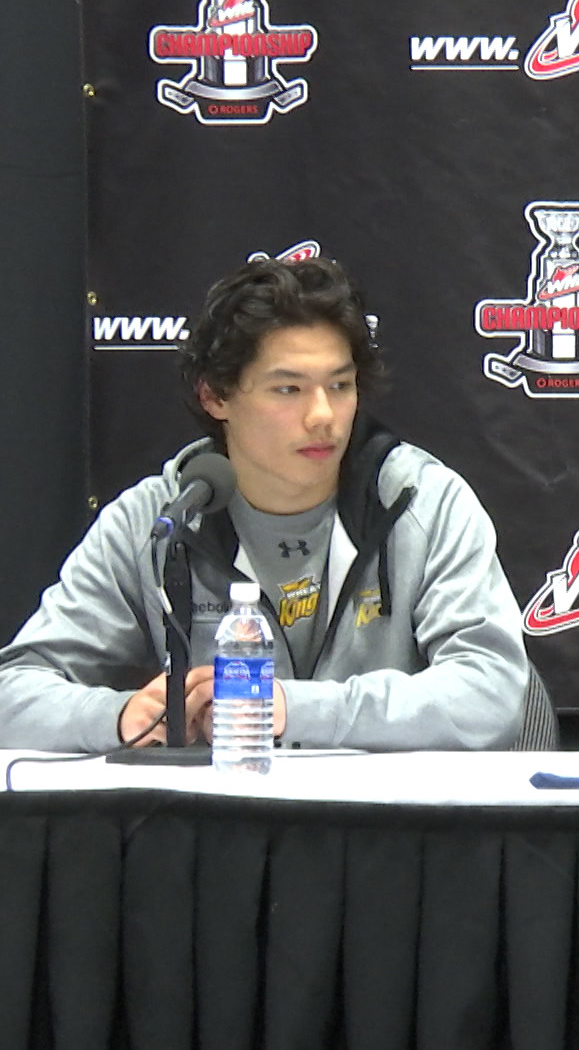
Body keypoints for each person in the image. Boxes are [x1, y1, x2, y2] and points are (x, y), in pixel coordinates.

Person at [0, 257, 529, 752]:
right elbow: (13, 695)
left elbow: (492, 692)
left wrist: (292, 709)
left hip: (387, 816)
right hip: (222, 816)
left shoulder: (421, 503)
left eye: (340, 385)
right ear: (216, 396)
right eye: (288, 390)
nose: (323, 416)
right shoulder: (160, 521)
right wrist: (119, 717)